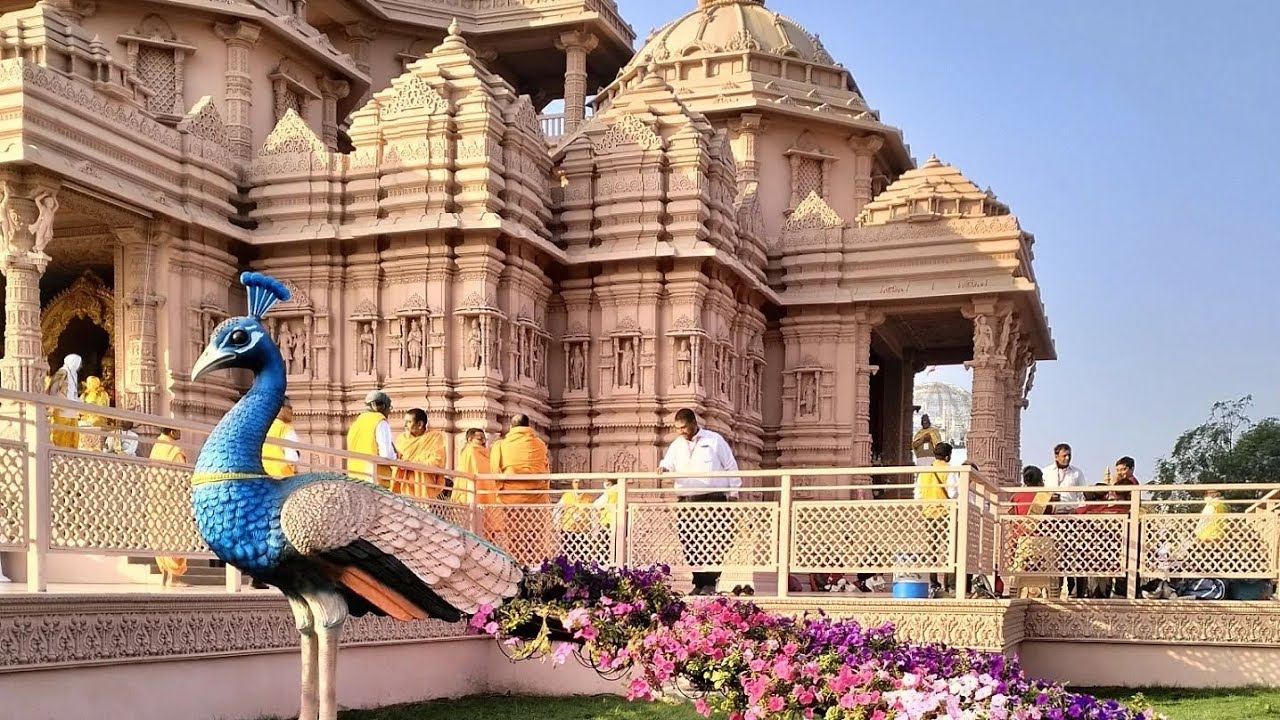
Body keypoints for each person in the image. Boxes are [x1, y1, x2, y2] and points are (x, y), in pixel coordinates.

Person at [658, 408, 740, 596]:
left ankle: (711, 582)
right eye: (678, 428)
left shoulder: (714, 440)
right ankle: (699, 582)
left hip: (713, 498)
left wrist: (733, 492)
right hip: (688, 500)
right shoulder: (677, 444)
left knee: (714, 541)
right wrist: (663, 468)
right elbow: (668, 462)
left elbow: (730, 465)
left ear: (694, 424)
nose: (681, 432)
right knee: (690, 541)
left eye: (684, 427)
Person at [1042, 443, 1087, 597]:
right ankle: (1054, 589)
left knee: (1072, 552)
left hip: (1071, 517)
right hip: (1052, 517)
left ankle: (1074, 589)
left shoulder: (1076, 473)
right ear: (1056, 456)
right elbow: (1040, 495)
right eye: (1064, 455)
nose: (1067, 458)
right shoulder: (1046, 472)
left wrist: (1077, 510)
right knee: (1053, 553)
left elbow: (1084, 496)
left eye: (1069, 455)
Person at [150, 428, 189, 587]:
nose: (180, 433)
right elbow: (181, 477)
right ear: (171, 432)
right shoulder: (175, 451)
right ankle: (175, 579)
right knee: (176, 537)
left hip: (157, 501)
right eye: (178, 430)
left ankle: (165, 576)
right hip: (173, 501)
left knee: (161, 537)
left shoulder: (156, 448)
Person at [916, 442, 953, 595]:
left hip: (928, 513)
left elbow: (918, 494)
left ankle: (933, 582)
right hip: (945, 513)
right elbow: (953, 492)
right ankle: (949, 584)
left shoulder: (925, 472)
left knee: (932, 548)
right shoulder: (950, 470)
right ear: (947, 456)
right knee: (951, 549)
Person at [489, 414, 551, 504]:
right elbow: (546, 469)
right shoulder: (540, 444)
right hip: (536, 497)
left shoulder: (501, 445)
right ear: (528, 426)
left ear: (511, 427)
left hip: (510, 496)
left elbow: (495, 471)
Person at [391, 408, 448, 499]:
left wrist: (410, 464)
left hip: (425, 487)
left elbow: (437, 462)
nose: (405, 425)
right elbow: (395, 461)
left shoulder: (434, 438)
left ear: (420, 424)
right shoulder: (402, 439)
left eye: (409, 422)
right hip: (403, 487)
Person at [346, 390, 397, 487]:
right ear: (382, 406)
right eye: (388, 407)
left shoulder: (357, 423)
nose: (389, 411)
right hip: (374, 477)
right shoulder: (380, 421)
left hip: (355, 476)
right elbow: (386, 454)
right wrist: (397, 457)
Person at [45, 354, 82, 448]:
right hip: (61, 408)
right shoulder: (62, 372)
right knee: (61, 434)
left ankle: (71, 455)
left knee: (73, 434)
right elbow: (53, 390)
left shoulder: (73, 374)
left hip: (72, 410)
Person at [261, 399, 301, 478]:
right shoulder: (285, 428)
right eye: (289, 407)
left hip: (263, 474)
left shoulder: (262, 427)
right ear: (280, 408)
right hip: (282, 475)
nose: (291, 411)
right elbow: (291, 456)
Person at [77, 375, 112, 451]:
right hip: (86, 417)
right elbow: (79, 407)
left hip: (98, 417)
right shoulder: (84, 395)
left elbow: (104, 407)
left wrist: (93, 410)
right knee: (78, 424)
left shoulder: (102, 394)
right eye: (88, 383)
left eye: (90, 383)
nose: (89, 384)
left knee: (94, 422)